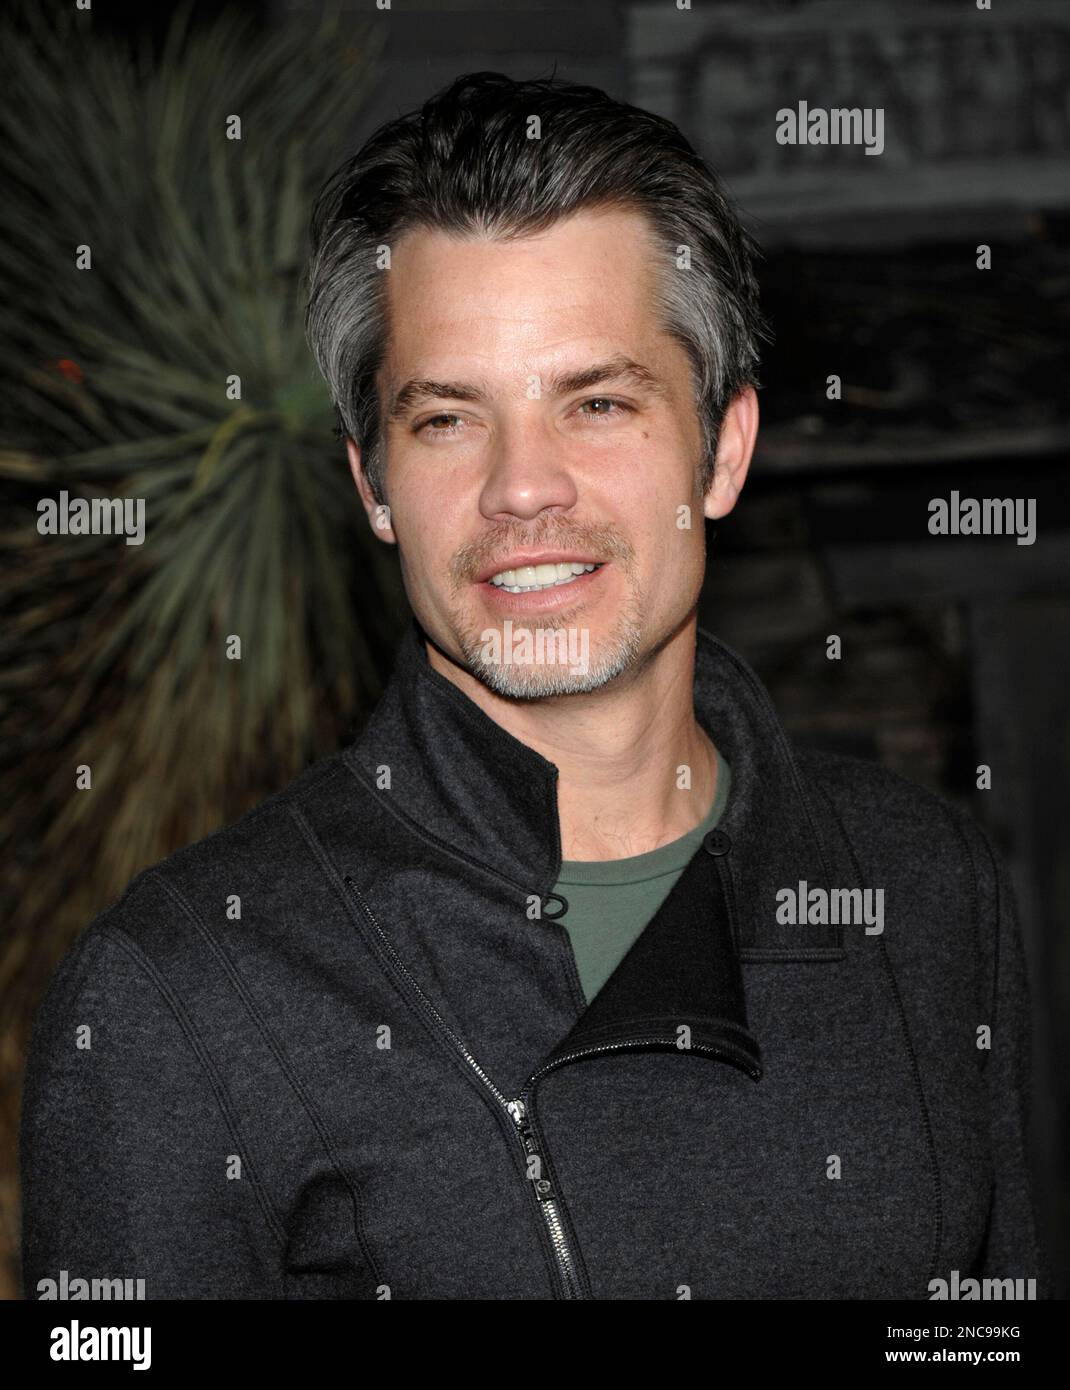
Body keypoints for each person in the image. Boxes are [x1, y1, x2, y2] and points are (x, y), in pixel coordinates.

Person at [20, 71, 1049, 1300]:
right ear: (372, 485)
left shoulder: (921, 886)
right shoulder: (181, 991)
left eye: (597, 402)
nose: (523, 487)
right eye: (448, 420)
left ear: (721, 447)